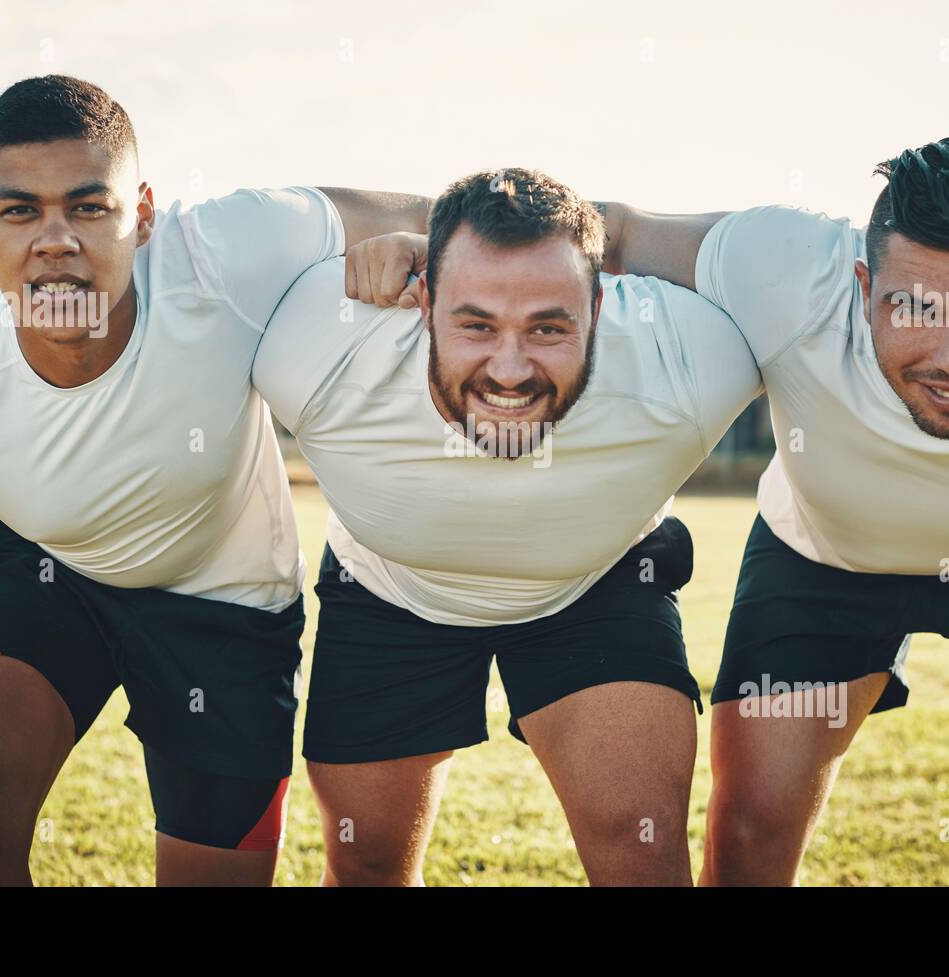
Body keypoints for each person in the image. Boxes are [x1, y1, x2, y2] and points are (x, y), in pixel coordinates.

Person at [0, 74, 430, 886]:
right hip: (46, 566)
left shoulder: (228, 246)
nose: (55, 239)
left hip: (225, 603)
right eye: (20, 210)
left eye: (89, 206)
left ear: (144, 213)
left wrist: (436, 252)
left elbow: (443, 216)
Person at [593, 134, 949, 884]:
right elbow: (614, 230)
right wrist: (421, 250)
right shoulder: (787, 268)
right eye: (915, 306)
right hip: (822, 554)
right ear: (861, 287)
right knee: (752, 828)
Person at [253, 168, 762, 884]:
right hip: (389, 589)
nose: (511, 368)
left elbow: (801, 268)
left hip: (600, 585)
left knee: (639, 849)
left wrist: (620, 227)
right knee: (366, 860)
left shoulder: (683, 352)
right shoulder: (320, 339)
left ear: (599, 305)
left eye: (549, 327)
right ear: (423, 301)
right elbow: (197, 271)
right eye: (476, 323)